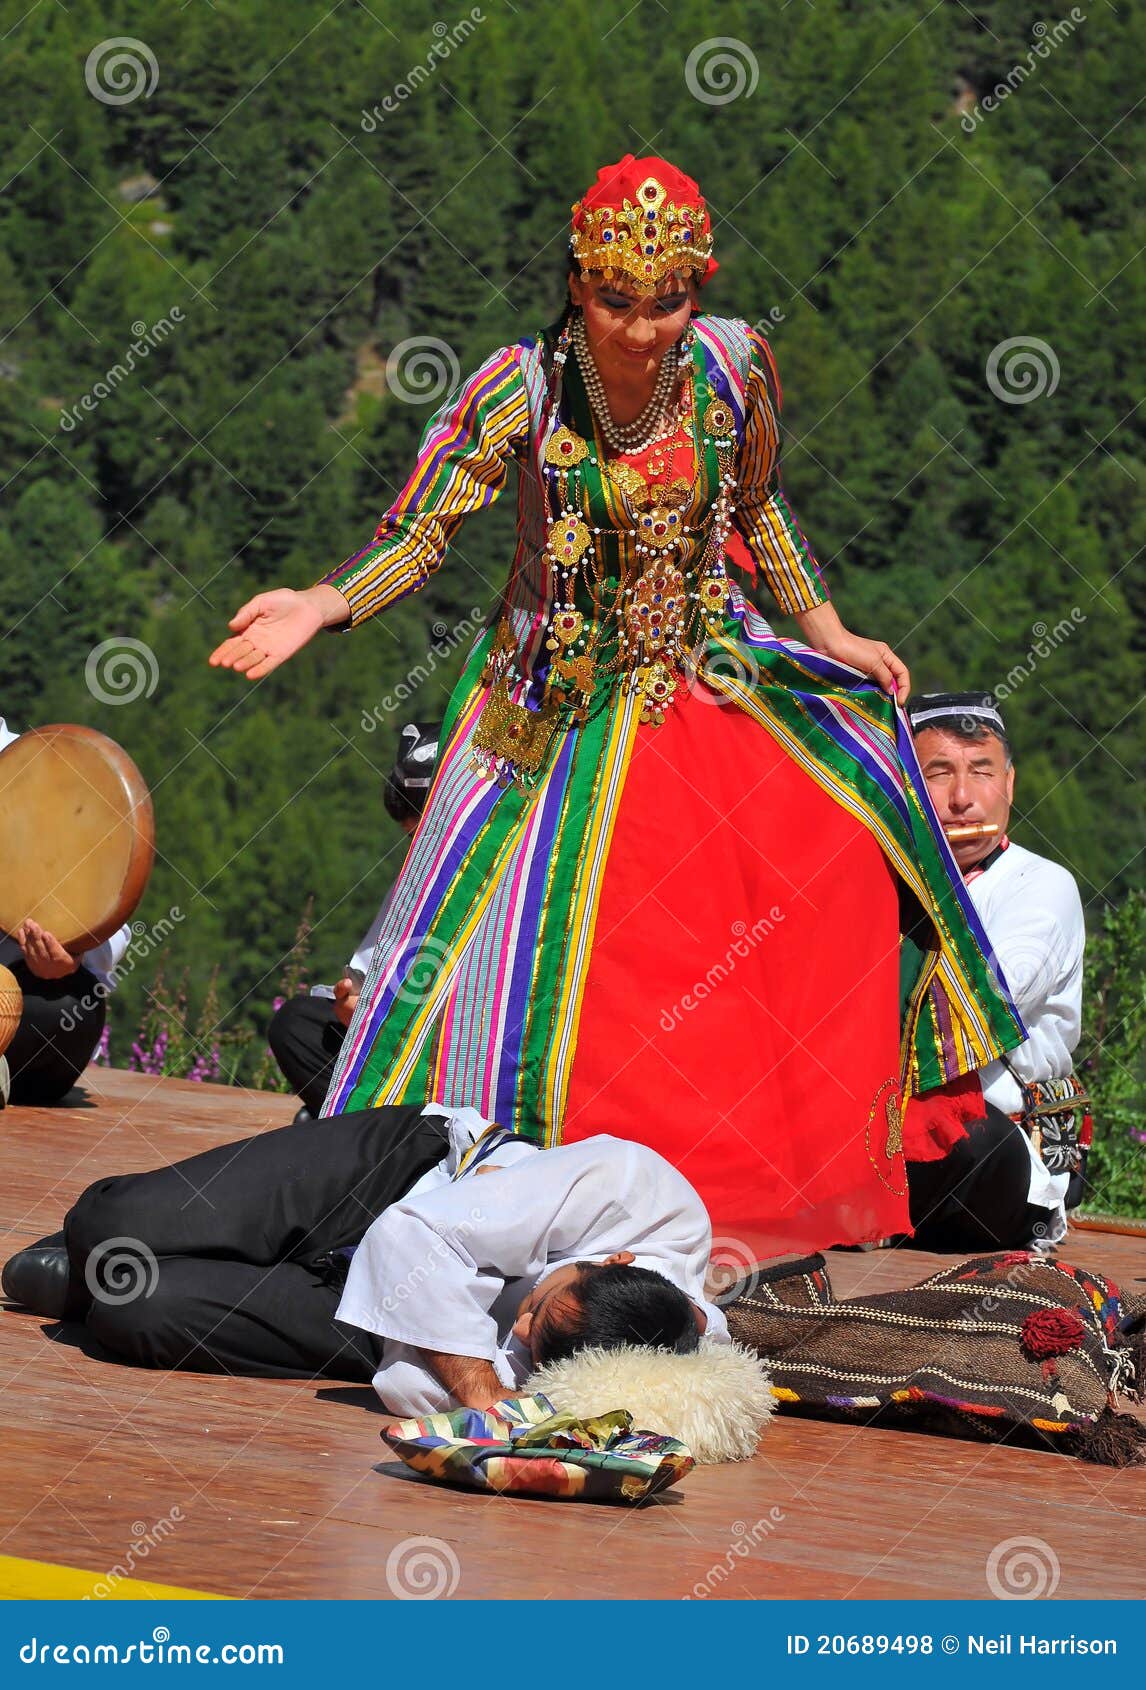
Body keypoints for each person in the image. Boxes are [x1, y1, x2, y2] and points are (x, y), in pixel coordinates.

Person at [209, 154, 1023, 1255]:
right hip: (549, 705)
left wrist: (825, 629)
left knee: (840, 834)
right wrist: (319, 602)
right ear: (578, 284)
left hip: (710, 675)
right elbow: (421, 531)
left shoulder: (733, 365)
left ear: (700, 287)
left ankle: (722, 1195)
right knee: (489, 957)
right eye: (617, 301)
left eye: (668, 300)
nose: (643, 328)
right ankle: (434, 1194)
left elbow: (759, 507)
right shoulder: (519, 388)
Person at [1, 1103, 723, 1417]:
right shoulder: (640, 1189)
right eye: (538, 1305)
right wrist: (479, 1389)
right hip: (399, 1175)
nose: (522, 1325)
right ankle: (94, 1254)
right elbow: (414, 1233)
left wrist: (483, 1390)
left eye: (533, 1340)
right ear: (616, 1258)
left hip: (387, 1325)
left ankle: (94, 1283)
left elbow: (410, 1384)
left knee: (137, 1308)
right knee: (107, 1223)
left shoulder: (617, 1372)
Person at [905, 691, 1086, 1249]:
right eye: (939, 773)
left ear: (1008, 783)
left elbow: (981, 1003)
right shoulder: (885, 877)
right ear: (906, 787)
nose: (963, 799)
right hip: (890, 1124)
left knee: (974, 1141)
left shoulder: (1041, 884)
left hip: (1000, 1143)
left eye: (981, 772)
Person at [267, 721, 440, 1117]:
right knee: (297, 1025)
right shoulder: (419, 872)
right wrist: (355, 1006)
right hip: (395, 1045)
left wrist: (375, 1016)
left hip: (453, 1057)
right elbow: (361, 978)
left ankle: (366, 1132)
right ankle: (354, 1122)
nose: (418, 848)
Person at [0, 713, 131, 1107]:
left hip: (20, 996)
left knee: (69, 1010)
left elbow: (108, 915)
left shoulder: (41, 766)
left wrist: (69, 959)